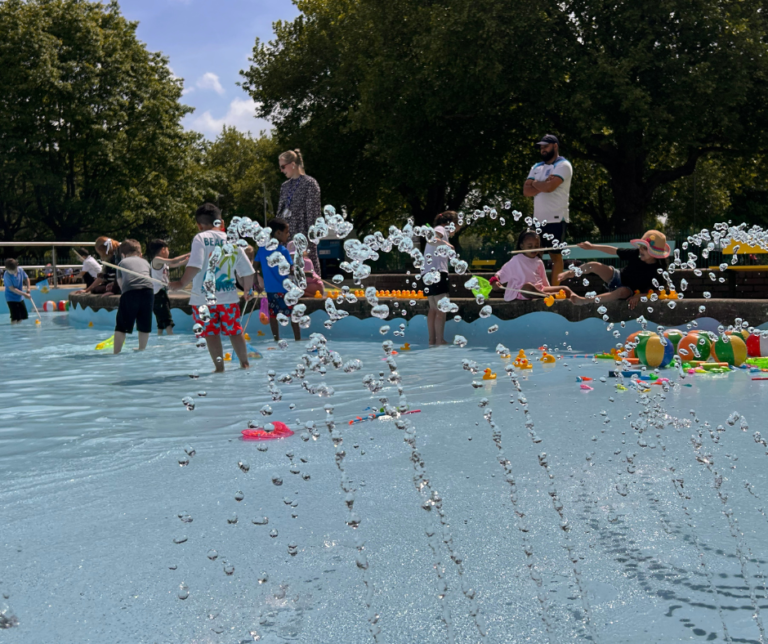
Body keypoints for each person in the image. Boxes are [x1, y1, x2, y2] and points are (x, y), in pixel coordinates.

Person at [169, 204, 255, 372]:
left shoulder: (200, 238)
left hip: (202, 300)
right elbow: (247, 271)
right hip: (228, 299)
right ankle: (244, 364)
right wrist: (247, 290)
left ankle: (219, 368)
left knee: (211, 334)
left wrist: (180, 283)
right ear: (221, 222)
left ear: (199, 225)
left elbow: (195, 264)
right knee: (235, 332)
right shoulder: (231, 240)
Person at [560, 230, 671, 310]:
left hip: (629, 290)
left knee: (621, 292)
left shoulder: (658, 271)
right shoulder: (636, 254)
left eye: (645, 248)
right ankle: (571, 273)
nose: (641, 250)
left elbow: (659, 293)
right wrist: (592, 246)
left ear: (655, 253)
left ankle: (585, 300)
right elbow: (614, 251)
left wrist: (639, 296)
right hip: (618, 277)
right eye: (641, 246)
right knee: (594, 265)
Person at [523, 134, 573, 286]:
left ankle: (555, 290)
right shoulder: (536, 166)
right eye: (541, 147)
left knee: (555, 256)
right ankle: (537, 287)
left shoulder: (563, 165)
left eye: (546, 146)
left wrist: (535, 184)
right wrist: (542, 184)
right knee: (532, 255)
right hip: (537, 219)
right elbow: (526, 191)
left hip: (556, 218)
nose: (542, 149)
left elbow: (550, 188)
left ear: (555, 146)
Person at [490, 230, 573, 300]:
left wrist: (549, 289)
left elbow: (544, 282)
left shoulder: (538, 261)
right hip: (521, 292)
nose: (534, 248)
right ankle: (547, 296)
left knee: (565, 289)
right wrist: (495, 282)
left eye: (536, 246)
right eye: (530, 246)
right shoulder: (516, 260)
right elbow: (500, 274)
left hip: (540, 289)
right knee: (528, 287)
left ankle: (573, 298)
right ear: (522, 246)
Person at [255, 218, 301, 342]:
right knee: (293, 316)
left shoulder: (261, 249)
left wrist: (256, 282)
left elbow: (254, 267)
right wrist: (303, 273)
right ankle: (298, 340)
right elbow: (291, 270)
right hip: (285, 290)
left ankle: (276, 339)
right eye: (286, 232)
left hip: (271, 290)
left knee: (273, 315)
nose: (288, 235)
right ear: (277, 233)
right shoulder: (283, 250)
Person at [277, 149, 322, 273]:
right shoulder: (284, 186)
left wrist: (309, 242)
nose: (281, 170)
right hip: (286, 237)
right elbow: (279, 214)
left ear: (292, 164)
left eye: (283, 166)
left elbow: (313, 215)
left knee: (307, 274)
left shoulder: (310, 184)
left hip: (303, 236)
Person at [422, 211, 458, 346]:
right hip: (437, 273)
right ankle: (439, 340)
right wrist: (447, 245)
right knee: (441, 309)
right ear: (451, 224)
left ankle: (432, 340)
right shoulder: (440, 229)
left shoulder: (439, 230)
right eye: (457, 225)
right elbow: (432, 238)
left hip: (426, 273)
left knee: (433, 308)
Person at [113, 239, 154, 354]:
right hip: (148, 291)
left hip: (130, 292)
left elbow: (121, 285)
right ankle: (142, 348)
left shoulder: (122, 263)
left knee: (122, 325)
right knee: (144, 322)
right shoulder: (146, 262)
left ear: (122, 255)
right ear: (140, 254)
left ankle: (116, 352)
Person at [147, 239, 189, 336]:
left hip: (161, 293)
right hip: (158, 295)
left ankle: (160, 338)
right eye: (168, 250)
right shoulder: (156, 260)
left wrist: (186, 261)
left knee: (161, 321)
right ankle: (171, 337)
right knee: (167, 319)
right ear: (163, 250)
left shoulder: (163, 263)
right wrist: (189, 253)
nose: (168, 252)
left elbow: (175, 264)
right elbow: (173, 261)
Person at [3, 258, 31, 323]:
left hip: (19, 297)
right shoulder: (7, 275)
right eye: (11, 271)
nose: (13, 272)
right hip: (11, 298)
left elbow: (27, 279)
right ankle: (14, 332)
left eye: (14, 270)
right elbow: (12, 288)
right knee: (15, 318)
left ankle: (20, 331)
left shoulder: (20, 270)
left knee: (23, 316)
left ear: (17, 266)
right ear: (7, 269)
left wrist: (28, 289)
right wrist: (24, 294)